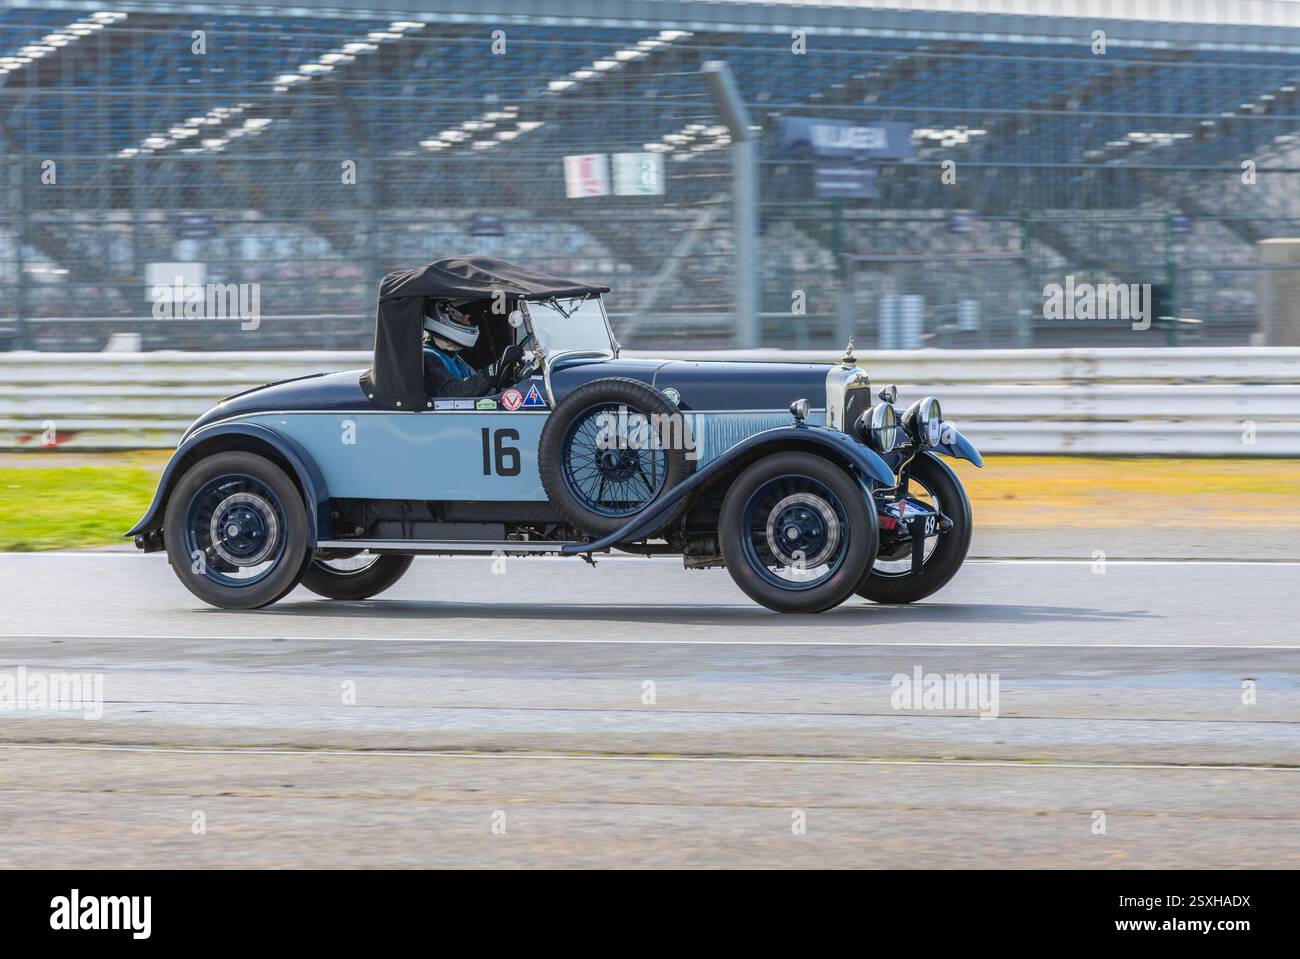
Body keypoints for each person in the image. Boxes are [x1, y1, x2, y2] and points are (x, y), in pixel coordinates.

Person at [421, 300, 522, 397]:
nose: (466, 317)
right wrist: (496, 369)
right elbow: (452, 393)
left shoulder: (454, 358)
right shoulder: (428, 358)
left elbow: (475, 389)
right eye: (453, 315)